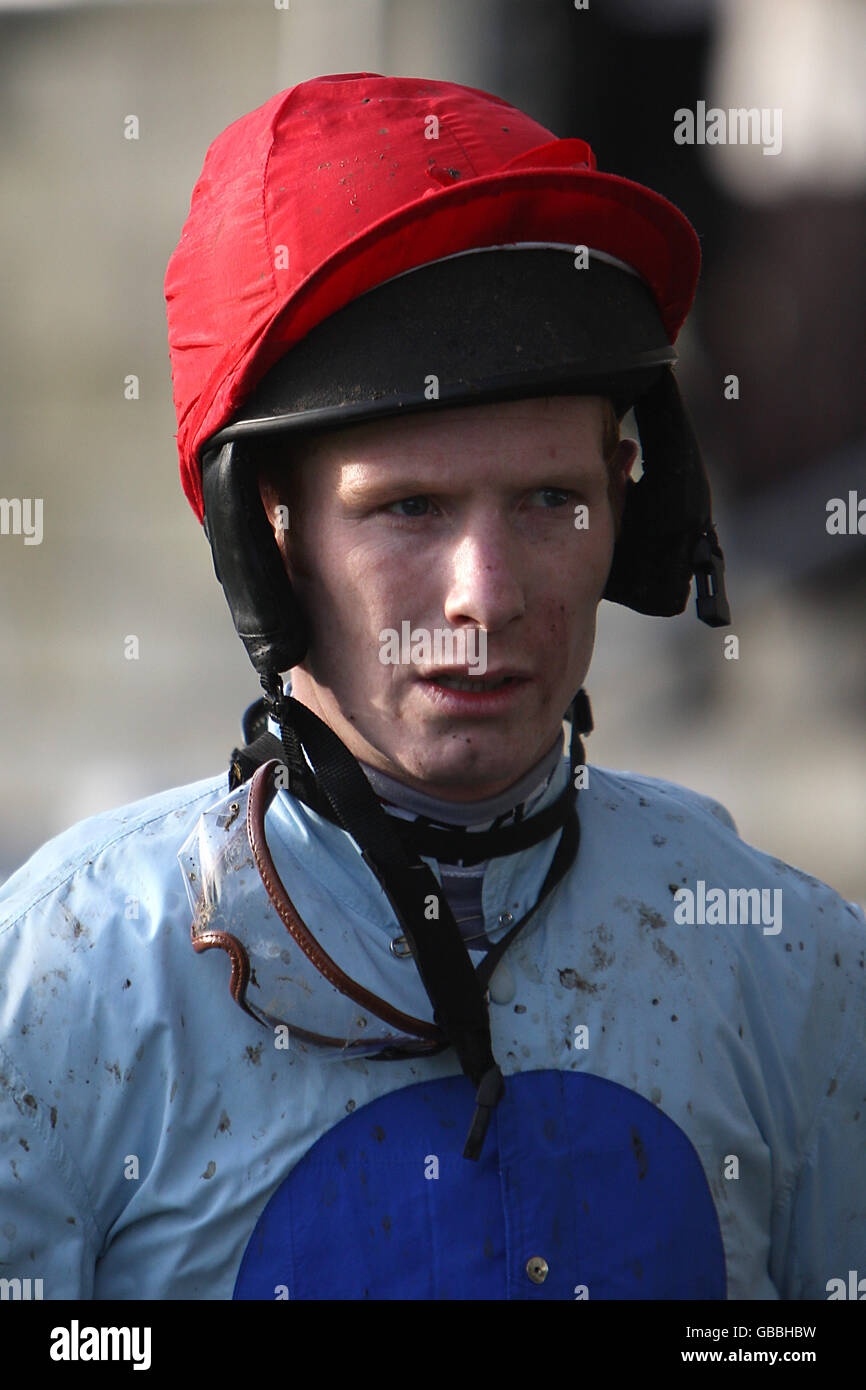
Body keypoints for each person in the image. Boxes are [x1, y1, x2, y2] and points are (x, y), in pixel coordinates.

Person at [0, 72, 862, 1302]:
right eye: (408, 509)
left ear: (632, 504)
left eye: (551, 501)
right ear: (269, 534)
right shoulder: (67, 984)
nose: (488, 593)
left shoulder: (793, 973)